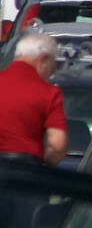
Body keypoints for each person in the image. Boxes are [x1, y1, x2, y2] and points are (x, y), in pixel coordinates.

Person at [0, 31, 67, 164]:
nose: (52, 71)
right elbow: (57, 145)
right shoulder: (48, 92)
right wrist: (44, 169)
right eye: (53, 64)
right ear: (43, 59)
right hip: (25, 169)